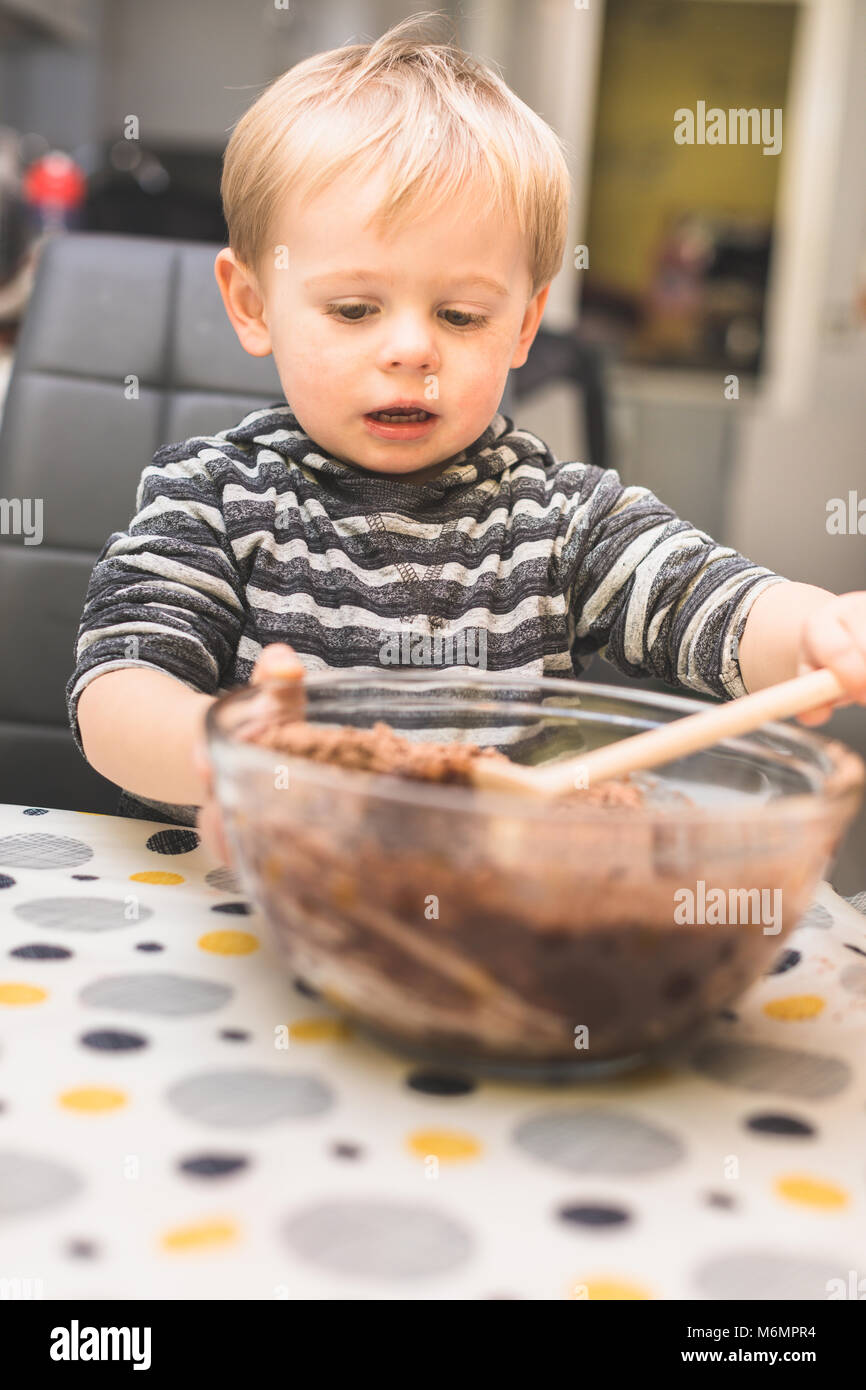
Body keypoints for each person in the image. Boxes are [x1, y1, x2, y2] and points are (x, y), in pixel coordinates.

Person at [67, 14, 866, 868]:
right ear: (253, 305)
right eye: (353, 309)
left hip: (508, 917)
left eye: (460, 315)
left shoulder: (564, 521)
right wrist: (226, 753)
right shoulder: (214, 499)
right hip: (265, 908)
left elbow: (710, 605)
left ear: (524, 325)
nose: (411, 349)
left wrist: (821, 628)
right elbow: (116, 690)